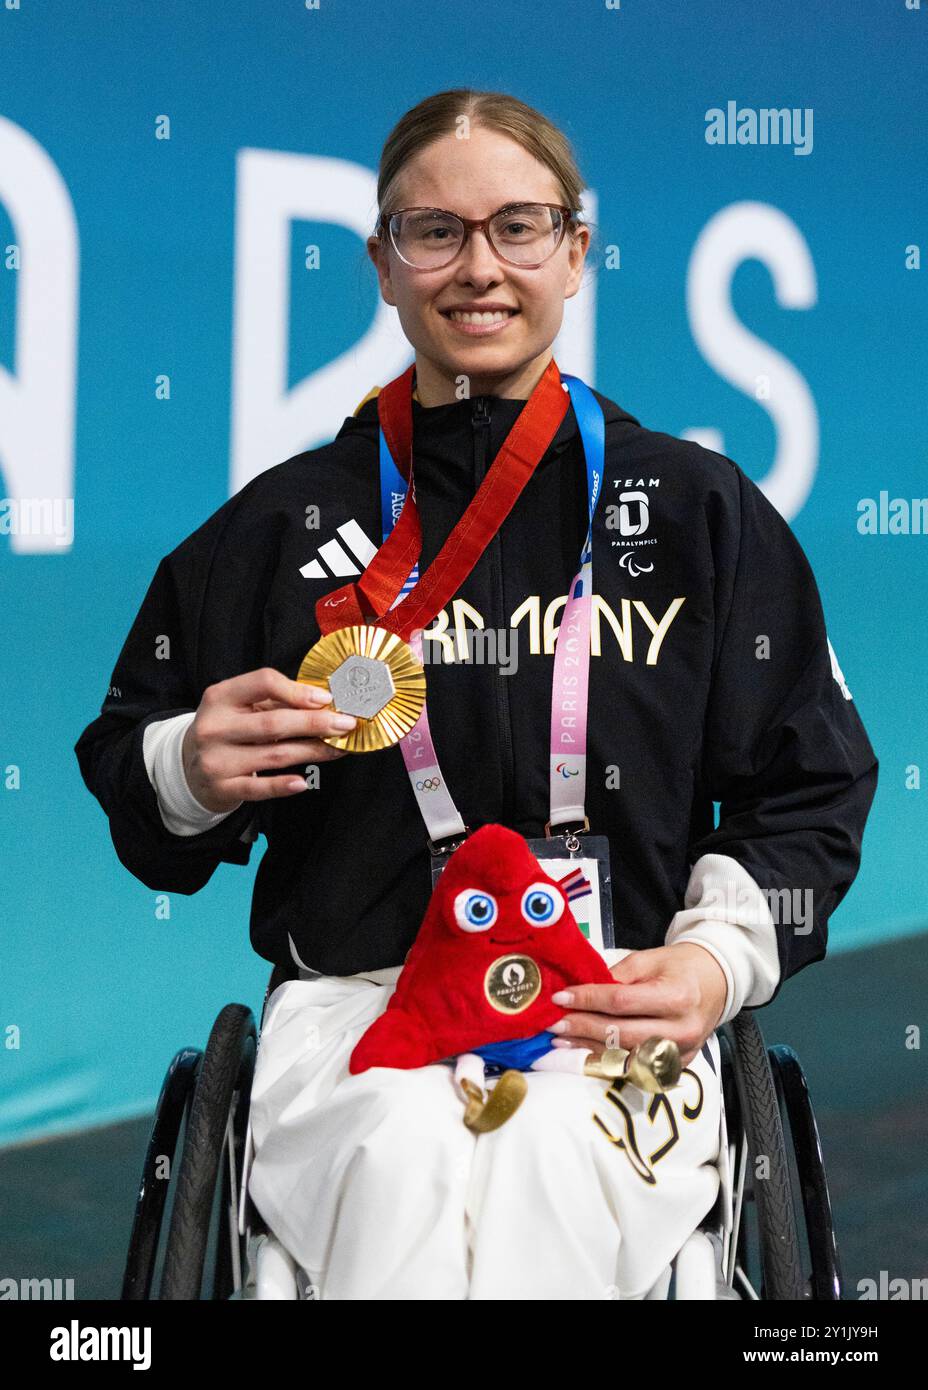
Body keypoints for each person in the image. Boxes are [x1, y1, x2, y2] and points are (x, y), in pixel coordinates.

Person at [74, 88, 878, 1300]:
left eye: (518, 226)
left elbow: (812, 790)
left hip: (614, 994)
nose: (478, 267)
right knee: (398, 1159)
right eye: (433, 232)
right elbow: (137, 780)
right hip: (356, 1005)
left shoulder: (698, 513)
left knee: (552, 1156)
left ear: (575, 252)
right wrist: (184, 767)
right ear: (384, 268)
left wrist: (712, 963)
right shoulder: (284, 524)